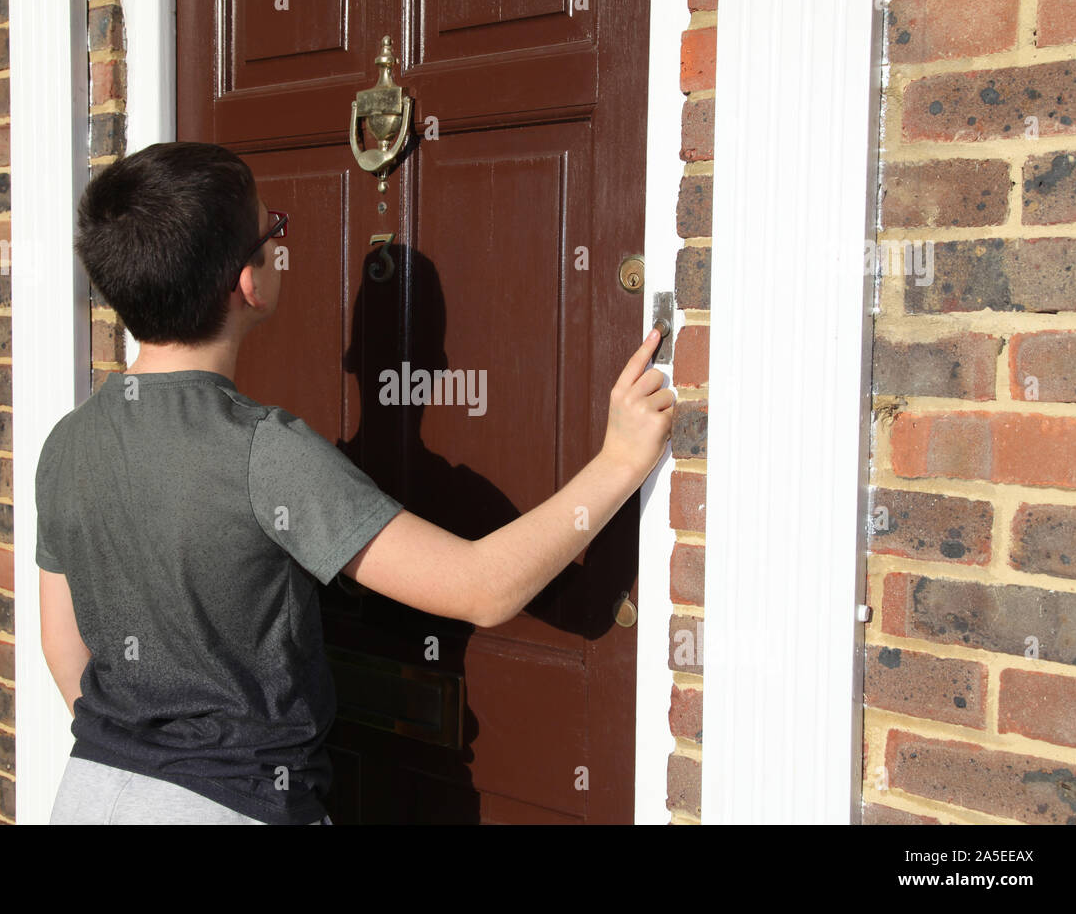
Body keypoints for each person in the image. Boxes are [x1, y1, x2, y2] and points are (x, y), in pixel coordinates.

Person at [37, 141, 675, 825]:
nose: (280, 242)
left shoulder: (67, 442)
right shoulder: (264, 453)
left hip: (88, 794)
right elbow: (481, 588)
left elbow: (63, 645)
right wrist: (620, 460)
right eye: (272, 231)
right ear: (246, 282)